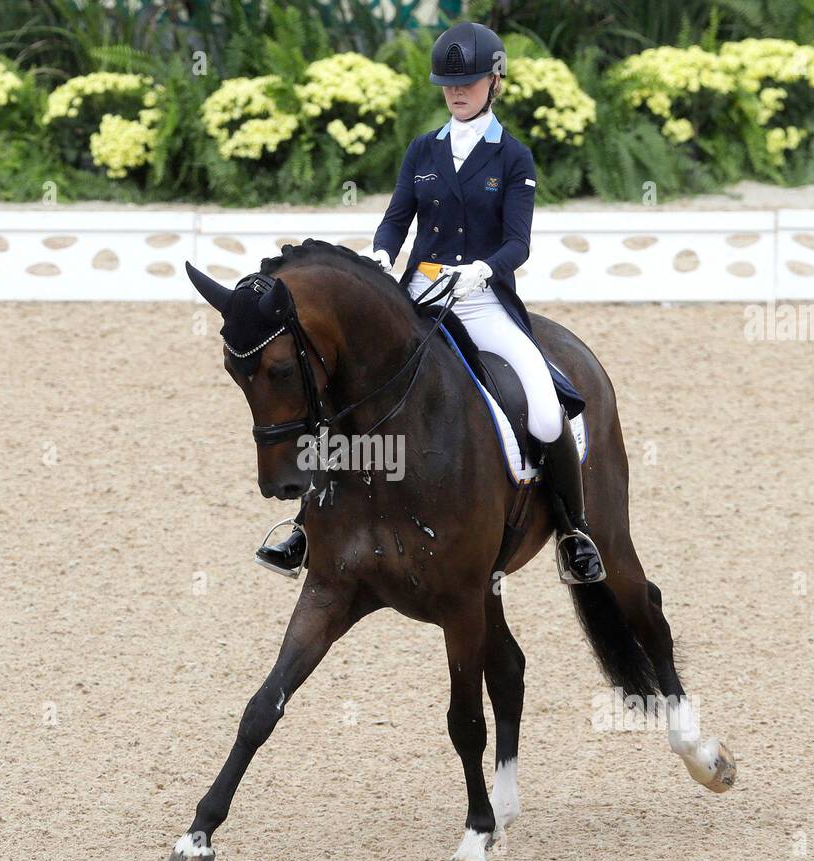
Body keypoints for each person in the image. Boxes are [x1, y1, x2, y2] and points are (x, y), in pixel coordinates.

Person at [255, 21, 604, 585]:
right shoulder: (424, 149)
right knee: (344, 393)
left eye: (467, 82)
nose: (457, 92)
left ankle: (573, 530)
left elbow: (519, 241)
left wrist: (482, 272)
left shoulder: (513, 157)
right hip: (417, 295)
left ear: (494, 82)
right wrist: (381, 257)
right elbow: (397, 218)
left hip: (482, 300)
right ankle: (304, 526)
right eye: (448, 83)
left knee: (543, 406)